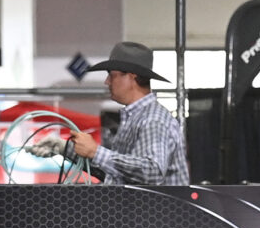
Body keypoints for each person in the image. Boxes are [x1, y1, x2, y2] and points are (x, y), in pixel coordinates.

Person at [36, 41, 189, 187]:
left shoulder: (153, 119)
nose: (107, 81)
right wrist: (66, 149)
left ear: (132, 76)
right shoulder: (137, 118)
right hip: (146, 212)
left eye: (111, 75)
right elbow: (118, 174)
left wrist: (95, 152)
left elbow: (152, 172)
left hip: (158, 213)